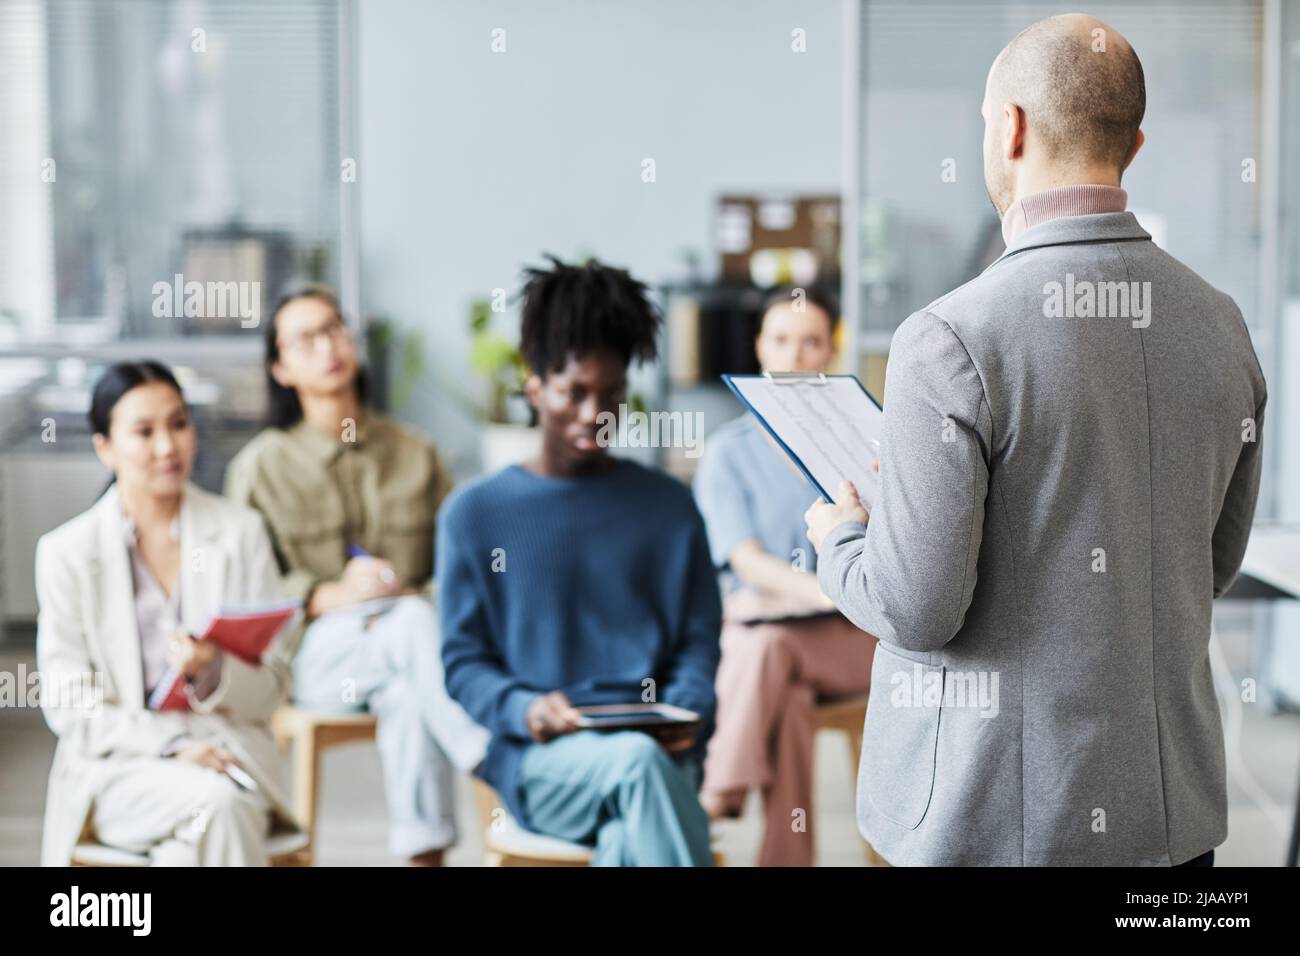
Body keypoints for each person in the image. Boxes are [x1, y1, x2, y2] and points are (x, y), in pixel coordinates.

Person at [805, 14, 1266, 866]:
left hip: (999, 822)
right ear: (1133, 144)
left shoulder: (950, 337)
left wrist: (840, 538)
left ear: (1009, 128)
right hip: (1168, 821)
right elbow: (1212, 561)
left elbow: (917, 609)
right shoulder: (1221, 325)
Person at [439, 255, 721, 866]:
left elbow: (699, 647)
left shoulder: (670, 509)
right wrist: (525, 708)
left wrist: (687, 711)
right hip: (543, 762)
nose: (596, 412)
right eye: (575, 391)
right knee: (637, 772)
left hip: (661, 751)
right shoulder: (475, 515)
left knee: (631, 829)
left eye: (612, 393)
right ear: (535, 389)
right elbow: (463, 664)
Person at [224, 287, 488, 866]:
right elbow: (245, 597)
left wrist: (409, 593)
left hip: (409, 646)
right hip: (315, 656)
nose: (329, 346)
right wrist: (324, 594)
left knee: (408, 687)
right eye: (306, 339)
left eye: (336, 328)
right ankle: (491, 755)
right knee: (414, 629)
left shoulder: (416, 452)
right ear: (281, 368)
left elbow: (462, 571)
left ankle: (423, 857)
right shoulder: (260, 468)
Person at [35, 361, 300, 866]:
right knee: (218, 804)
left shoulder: (240, 532)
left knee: (188, 849)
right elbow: (70, 705)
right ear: (105, 447)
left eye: (179, 424)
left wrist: (214, 669)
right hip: (125, 771)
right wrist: (172, 744)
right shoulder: (67, 552)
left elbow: (273, 690)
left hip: (229, 756)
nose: (167, 447)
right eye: (144, 431)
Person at [693, 286, 876, 866]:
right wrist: (828, 587)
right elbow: (744, 561)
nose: (795, 355)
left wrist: (843, 590)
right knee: (786, 691)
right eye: (781, 340)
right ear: (759, 348)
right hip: (783, 639)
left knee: (766, 646)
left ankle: (716, 794)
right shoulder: (728, 453)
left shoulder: (866, 443)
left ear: (830, 352)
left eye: (811, 341)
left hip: (858, 639)